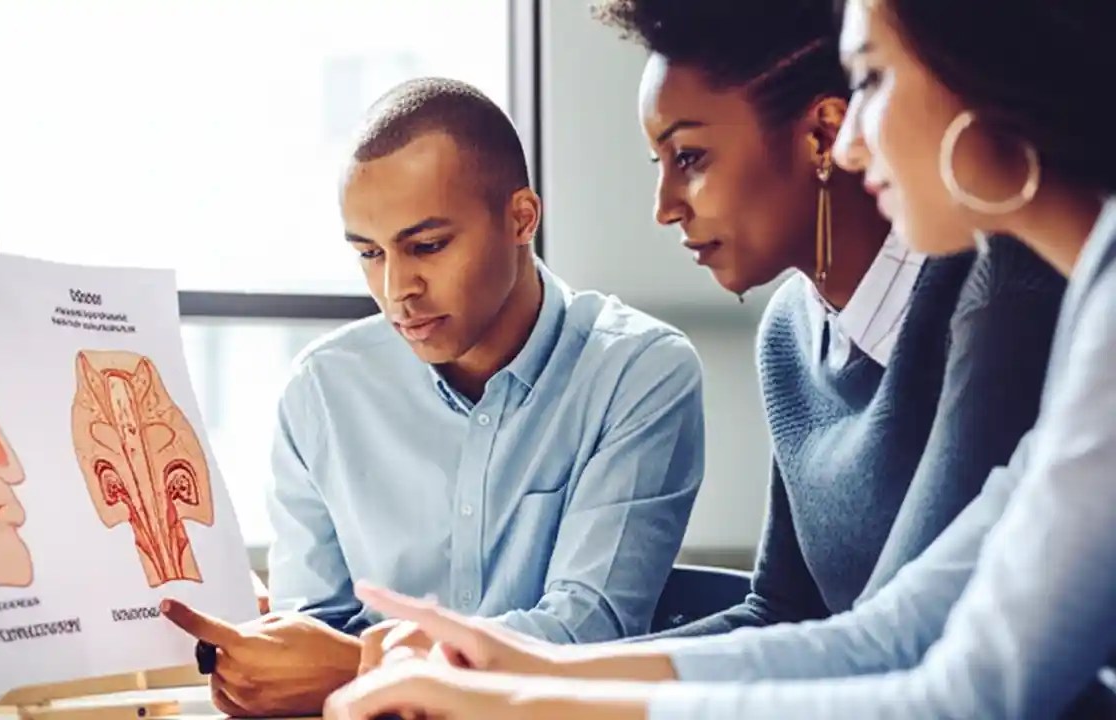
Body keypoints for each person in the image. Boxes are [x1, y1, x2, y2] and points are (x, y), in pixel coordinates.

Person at [322, 0, 1116, 717]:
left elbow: (960, 690)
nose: (855, 133)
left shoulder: (1019, 297)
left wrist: (534, 699)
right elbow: (884, 631)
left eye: (871, 78)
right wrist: (526, 671)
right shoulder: (1076, 301)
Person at [152, 77, 706, 716]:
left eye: (427, 246)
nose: (396, 289)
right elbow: (311, 633)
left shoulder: (639, 373)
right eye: (368, 253)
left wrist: (359, 663)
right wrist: (266, 660)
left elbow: (586, 634)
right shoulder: (322, 391)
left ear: (521, 218)